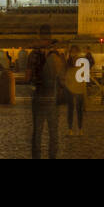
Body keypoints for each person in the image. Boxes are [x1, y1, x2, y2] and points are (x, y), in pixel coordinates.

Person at [28, 25, 66, 159]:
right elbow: (62, 78)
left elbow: (28, 77)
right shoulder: (58, 56)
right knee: (53, 133)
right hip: (52, 98)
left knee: (37, 132)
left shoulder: (33, 55)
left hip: (38, 98)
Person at [64, 50, 90, 136]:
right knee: (78, 111)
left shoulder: (68, 69)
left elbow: (66, 82)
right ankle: (79, 130)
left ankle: (71, 130)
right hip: (78, 92)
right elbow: (84, 85)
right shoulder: (81, 70)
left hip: (72, 92)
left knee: (71, 111)